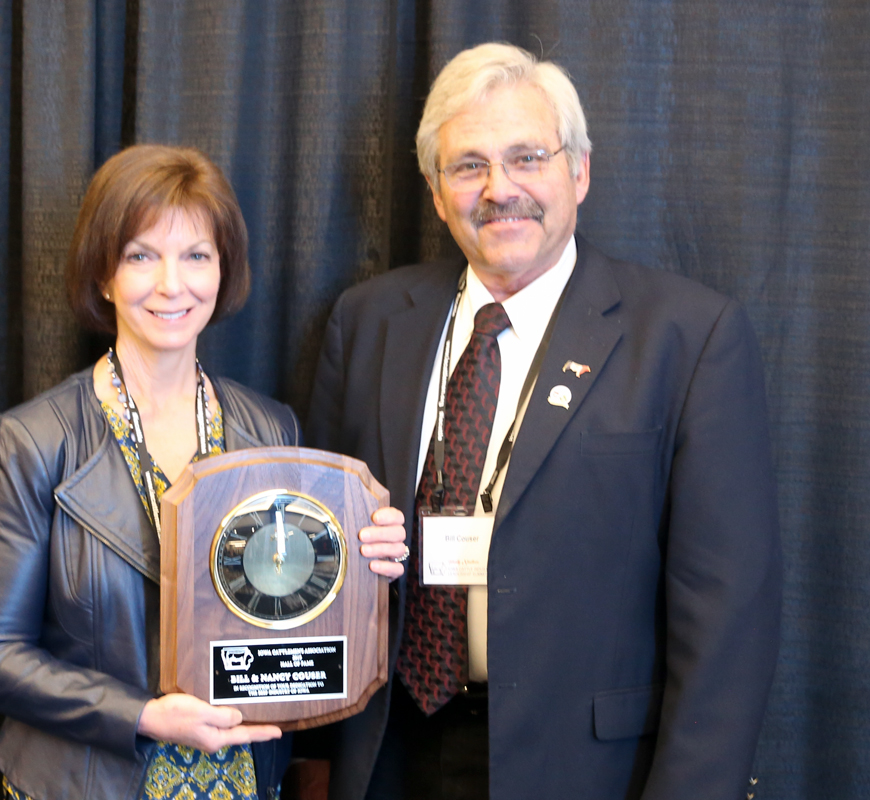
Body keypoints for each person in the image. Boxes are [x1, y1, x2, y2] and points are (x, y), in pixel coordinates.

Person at [302, 43, 782, 800]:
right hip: (389, 753)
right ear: (434, 191)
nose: (501, 189)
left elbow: (728, 620)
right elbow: (315, 549)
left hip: (584, 769)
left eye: (528, 157)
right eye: (469, 166)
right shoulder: (368, 323)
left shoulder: (688, 338)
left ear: (579, 172)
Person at [0, 144, 408, 800]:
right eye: (142, 255)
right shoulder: (35, 440)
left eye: (197, 255)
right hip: (85, 784)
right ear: (103, 275)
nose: (173, 284)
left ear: (223, 271)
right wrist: (140, 716)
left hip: (244, 783)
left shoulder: (271, 428)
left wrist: (365, 563)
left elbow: (296, 608)